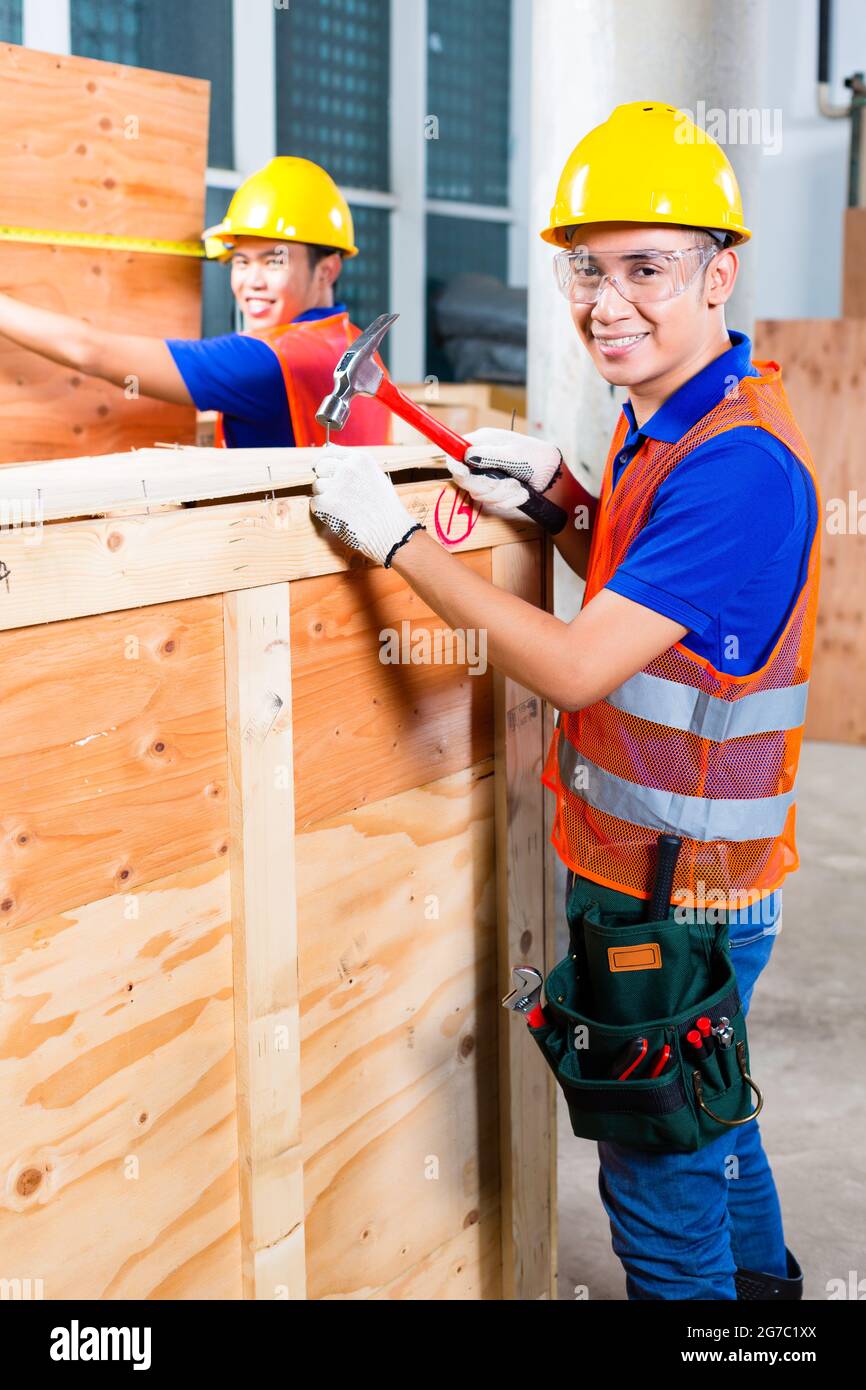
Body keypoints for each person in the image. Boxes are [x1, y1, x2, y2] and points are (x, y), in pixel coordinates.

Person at [306, 100, 820, 1301]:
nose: (606, 300)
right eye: (585, 269)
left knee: (656, 1180)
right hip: (675, 874)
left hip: (672, 894)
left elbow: (580, 662)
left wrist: (399, 546)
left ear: (717, 275)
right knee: (713, 1119)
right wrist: (563, 504)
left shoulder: (735, 465)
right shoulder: (679, 421)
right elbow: (668, 601)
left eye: (645, 267)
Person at [0, 155, 391, 448]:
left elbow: (88, 350)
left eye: (275, 261)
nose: (251, 282)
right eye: (241, 261)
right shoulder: (355, 346)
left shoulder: (267, 361)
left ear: (327, 270)